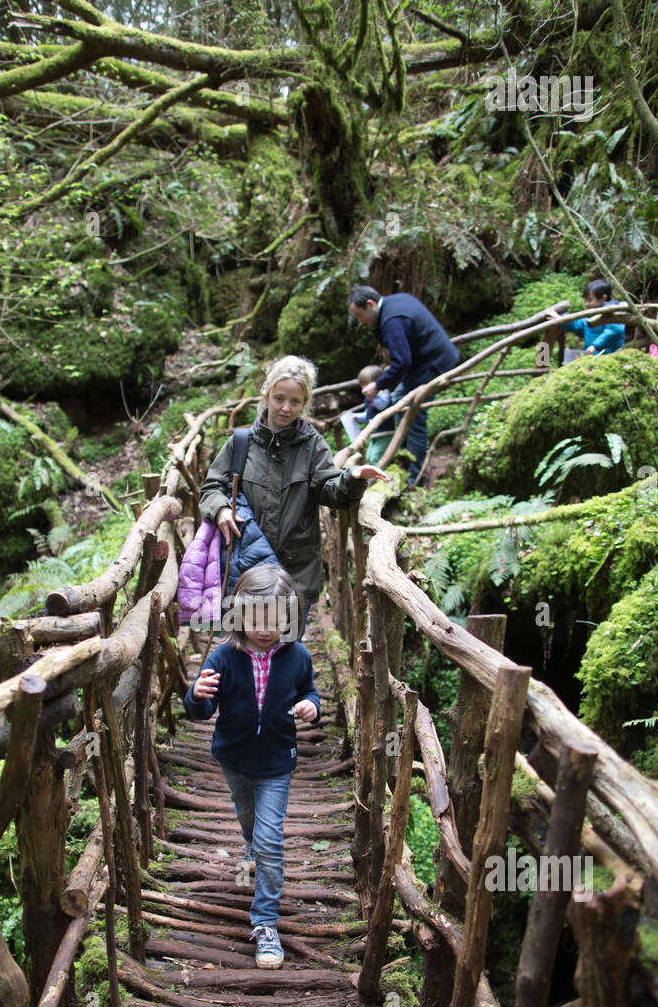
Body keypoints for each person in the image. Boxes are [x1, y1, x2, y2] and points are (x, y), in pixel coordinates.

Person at [182, 565, 319, 969]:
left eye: (275, 621)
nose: (265, 629)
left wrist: (313, 705)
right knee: (248, 821)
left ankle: (265, 923)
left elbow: (309, 690)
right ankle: (250, 844)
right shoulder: (224, 656)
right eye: (256, 620)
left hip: (277, 761)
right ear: (239, 614)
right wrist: (195, 694)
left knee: (270, 839)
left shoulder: (298, 657)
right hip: (235, 758)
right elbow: (201, 709)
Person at [199, 355, 389, 635]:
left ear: (305, 403)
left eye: (295, 402)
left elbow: (330, 491)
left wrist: (353, 477)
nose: (286, 408)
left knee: (286, 655)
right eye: (279, 399)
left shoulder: (312, 446)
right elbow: (211, 487)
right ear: (266, 396)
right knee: (244, 654)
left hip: (295, 572)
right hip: (247, 570)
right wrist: (221, 509)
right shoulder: (240, 444)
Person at [347, 285, 460, 486]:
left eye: (359, 315)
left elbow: (402, 362)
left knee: (412, 411)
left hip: (432, 364)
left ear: (370, 305)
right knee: (399, 400)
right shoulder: (397, 300)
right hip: (426, 361)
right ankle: (406, 458)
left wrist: (378, 385)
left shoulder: (391, 321)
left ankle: (417, 476)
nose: (360, 322)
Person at [546, 278, 625, 360]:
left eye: (590, 300)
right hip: (593, 356)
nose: (586, 304)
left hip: (609, 356)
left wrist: (595, 346)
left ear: (603, 298)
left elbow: (615, 330)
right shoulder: (592, 314)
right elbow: (579, 324)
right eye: (585, 300)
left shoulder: (613, 314)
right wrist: (561, 318)